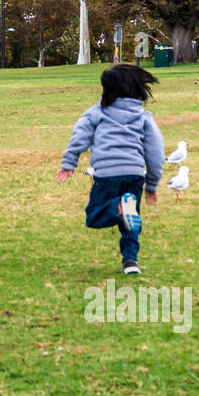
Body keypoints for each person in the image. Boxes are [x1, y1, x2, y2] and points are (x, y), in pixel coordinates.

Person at [55, 64, 164, 275]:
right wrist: (151, 183)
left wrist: (69, 163)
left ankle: (118, 207)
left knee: (94, 216)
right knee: (131, 223)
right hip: (134, 174)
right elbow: (156, 151)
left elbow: (80, 137)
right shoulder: (143, 116)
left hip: (106, 175)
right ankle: (131, 261)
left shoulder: (96, 112)